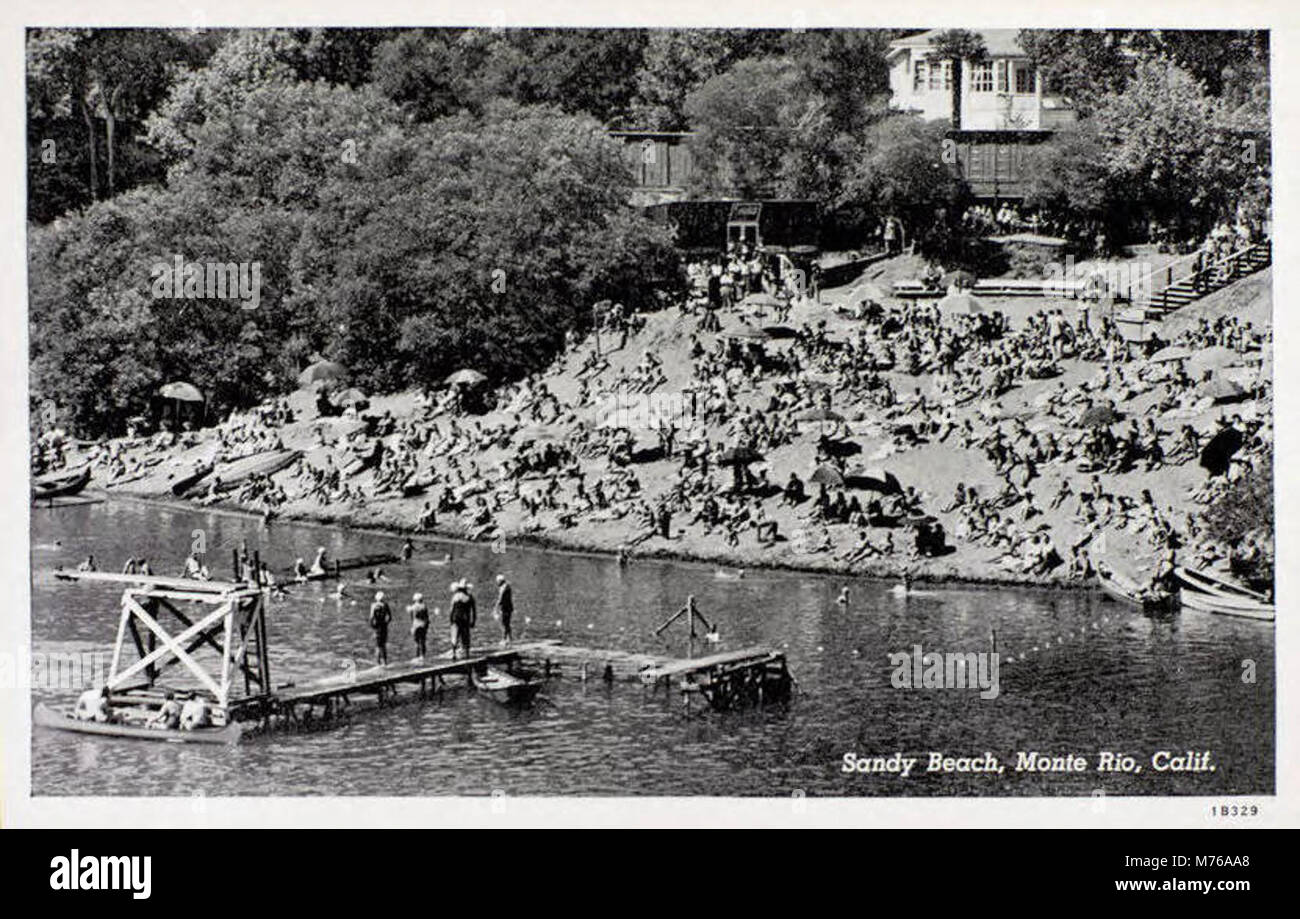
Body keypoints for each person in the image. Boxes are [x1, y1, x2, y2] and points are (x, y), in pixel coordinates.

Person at [449, 579, 477, 660]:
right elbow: (474, 610)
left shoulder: (455, 596)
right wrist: (473, 621)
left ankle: (454, 653)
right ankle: (467, 653)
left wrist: (450, 620)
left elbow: (451, 609)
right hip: (465, 619)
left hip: (456, 618)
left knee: (455, 635)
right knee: (466, 636)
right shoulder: (470, 597)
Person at [369, 591, 393, 665]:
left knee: (378, 646)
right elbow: (390, 617)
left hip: (377, 627)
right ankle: (385, 662)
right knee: (384, 645)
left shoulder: (373, 605)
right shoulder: (385, 605)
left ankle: (378, 662)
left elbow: (371, 617)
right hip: (383, 626)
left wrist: (372, 626)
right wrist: (386, 623)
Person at [407, 592, 430, 661]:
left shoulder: (413, 607)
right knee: (423, 641)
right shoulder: (424, 606)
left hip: (416, 625)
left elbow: (412, 617)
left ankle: (417, 656)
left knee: (416, 642)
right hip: (423, 625)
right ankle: (423, 656)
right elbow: (427, 617)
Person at [494, 574, 514, 645]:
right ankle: (510, 638)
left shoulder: (503, 587)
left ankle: (504, 639)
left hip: (505, 608)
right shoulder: (507, 586)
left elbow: (500, 598)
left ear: (500, 581)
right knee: (507, 623)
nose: (497, 583)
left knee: (504, 623)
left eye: (497, 581)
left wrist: (495, 607)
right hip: (509, 608)